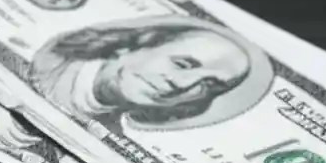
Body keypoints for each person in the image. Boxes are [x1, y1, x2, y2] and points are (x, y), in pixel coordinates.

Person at [26, 20, 255, 133]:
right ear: (131, 47)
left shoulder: (110, 137)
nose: (182, 83)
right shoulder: (44, 66)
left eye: (209, 84)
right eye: (182, 64)